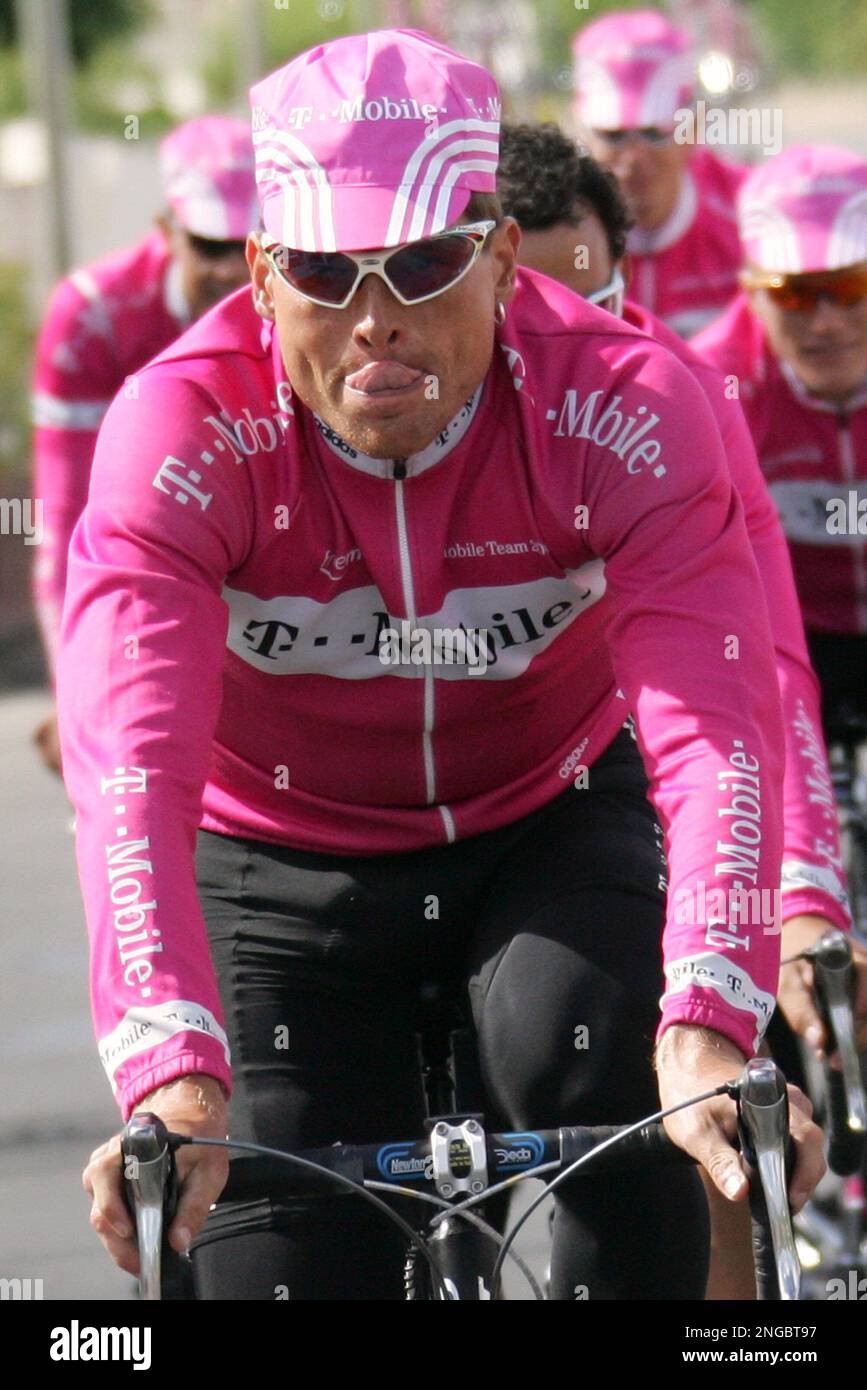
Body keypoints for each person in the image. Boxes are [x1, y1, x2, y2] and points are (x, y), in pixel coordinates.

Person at [61, 29, 823, 1301]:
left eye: (422, 263)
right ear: (258, 272)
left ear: (502, 259)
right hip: (279, 863)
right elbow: (132, 771)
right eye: (323, 270)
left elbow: (713, 732)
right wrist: (169, 1073)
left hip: (548, 820)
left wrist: (708, 1028)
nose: (376, 321)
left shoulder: (629, 402)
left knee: (614, 1109)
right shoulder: (180, 426)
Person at [498, 121, 866, 1296]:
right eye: (794, 295)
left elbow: (758, 670)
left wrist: (800, 896)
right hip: (445, 787)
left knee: (695, 1082)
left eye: (592, 296)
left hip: (645, 739)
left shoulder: (669, 394)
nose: (560, 342)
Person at [31, 114, 258, 774]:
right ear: (165, 231)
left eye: (247, 243)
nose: (230, 269)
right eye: (209, 245)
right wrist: (76, 696)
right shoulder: (94, 314)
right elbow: (67, 518)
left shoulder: (303, 295)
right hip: (158, 555)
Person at [693, 144, 867, 731]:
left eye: (851, 286)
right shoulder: (711, 385)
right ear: (750, 290)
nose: (826, 321)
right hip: (789, 642)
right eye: (794, 293)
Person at [572, 9, 746, 338]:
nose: (635, 156)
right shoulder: (556, 228)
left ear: (693, 128)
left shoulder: (748, 210)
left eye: (655, 131)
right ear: (582, 133)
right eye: (614, 134)